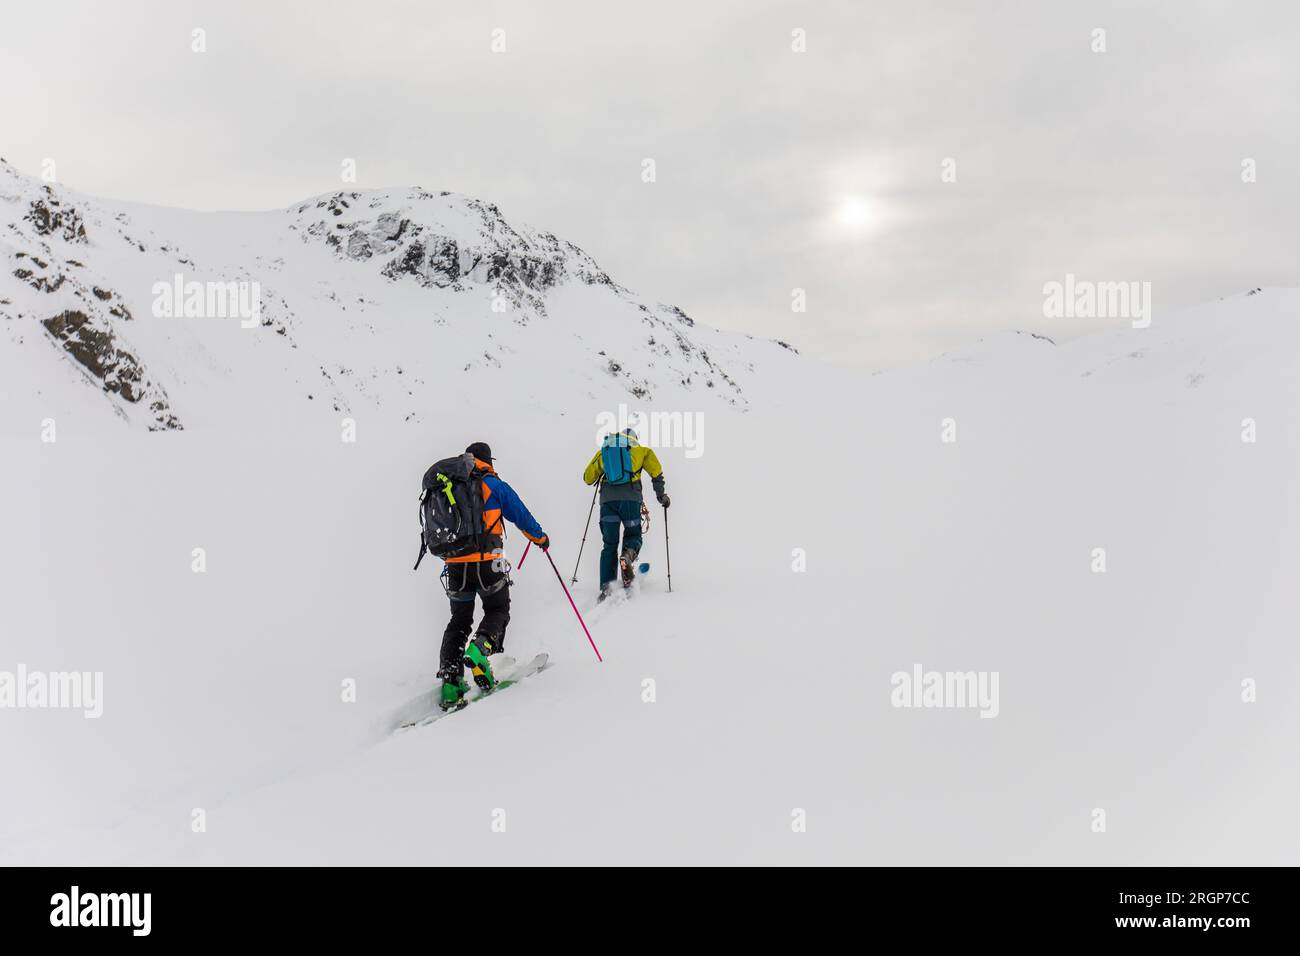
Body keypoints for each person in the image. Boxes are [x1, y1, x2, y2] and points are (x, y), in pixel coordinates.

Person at [437, 441, 549, 710]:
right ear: (488, 461)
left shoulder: (448, 485)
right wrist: (540, 538)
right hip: (488, 561)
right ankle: (481, 649)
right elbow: (521, 516)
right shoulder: (493, 485)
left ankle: (451, 685)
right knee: (498, 609)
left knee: (459, 620)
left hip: (455, 564)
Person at [581, 428, 669, 600]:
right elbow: (656, 472)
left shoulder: (605, 450)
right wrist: (661, 495)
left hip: (607, 503)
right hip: (630, 501)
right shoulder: (641, 451)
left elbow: (587, 477)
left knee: (609, 544)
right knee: (633, 535)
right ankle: (627, 556)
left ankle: (606, 587)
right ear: (634, 438)